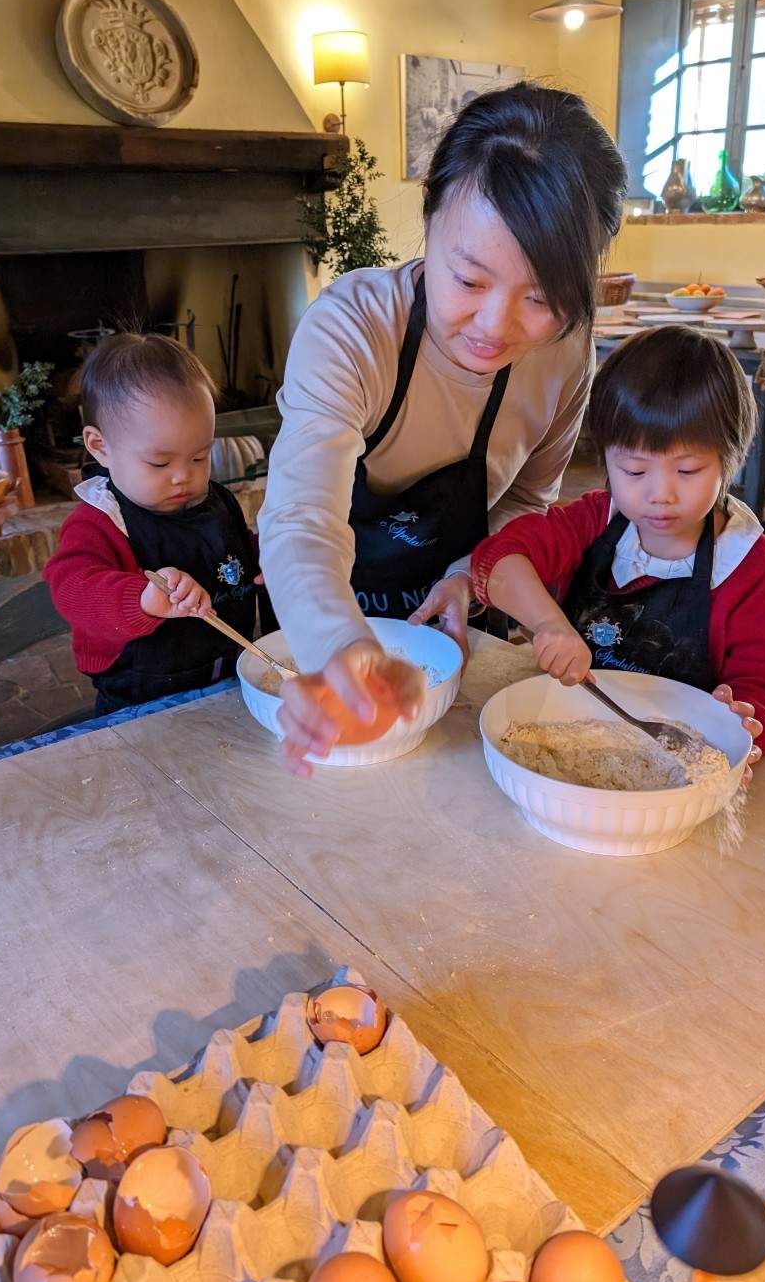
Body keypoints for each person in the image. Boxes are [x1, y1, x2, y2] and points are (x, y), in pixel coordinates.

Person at [258, 81, 627, 774]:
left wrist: (467, 576)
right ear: (428, 220)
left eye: (542, 297)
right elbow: (301, 517)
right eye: (469, 280)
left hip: (457, 626)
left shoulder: (565, 352)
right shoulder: (353, 330)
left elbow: (526, 500)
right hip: (324, 609)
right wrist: (339, 649)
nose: (495, 327)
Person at [470, 325, 765, 766]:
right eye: (634, 471)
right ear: (606, 458)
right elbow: (499, 559)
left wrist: (744, 719)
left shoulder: (751, 570)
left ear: (729, 460)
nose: (660, 495)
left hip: (677, 758)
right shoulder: (596, 520)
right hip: (571, 728)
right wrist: (549, 623)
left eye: (687, 471)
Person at [45, 332, 268, 716]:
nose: (183, 476)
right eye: (159, 463)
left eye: (199, 457)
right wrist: (142, 600)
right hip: (139, 704)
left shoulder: (216, 502)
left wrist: (269, 555)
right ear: (100, 447)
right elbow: (71, 589)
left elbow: (235, 552)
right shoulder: (99, 522)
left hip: (226, 684)